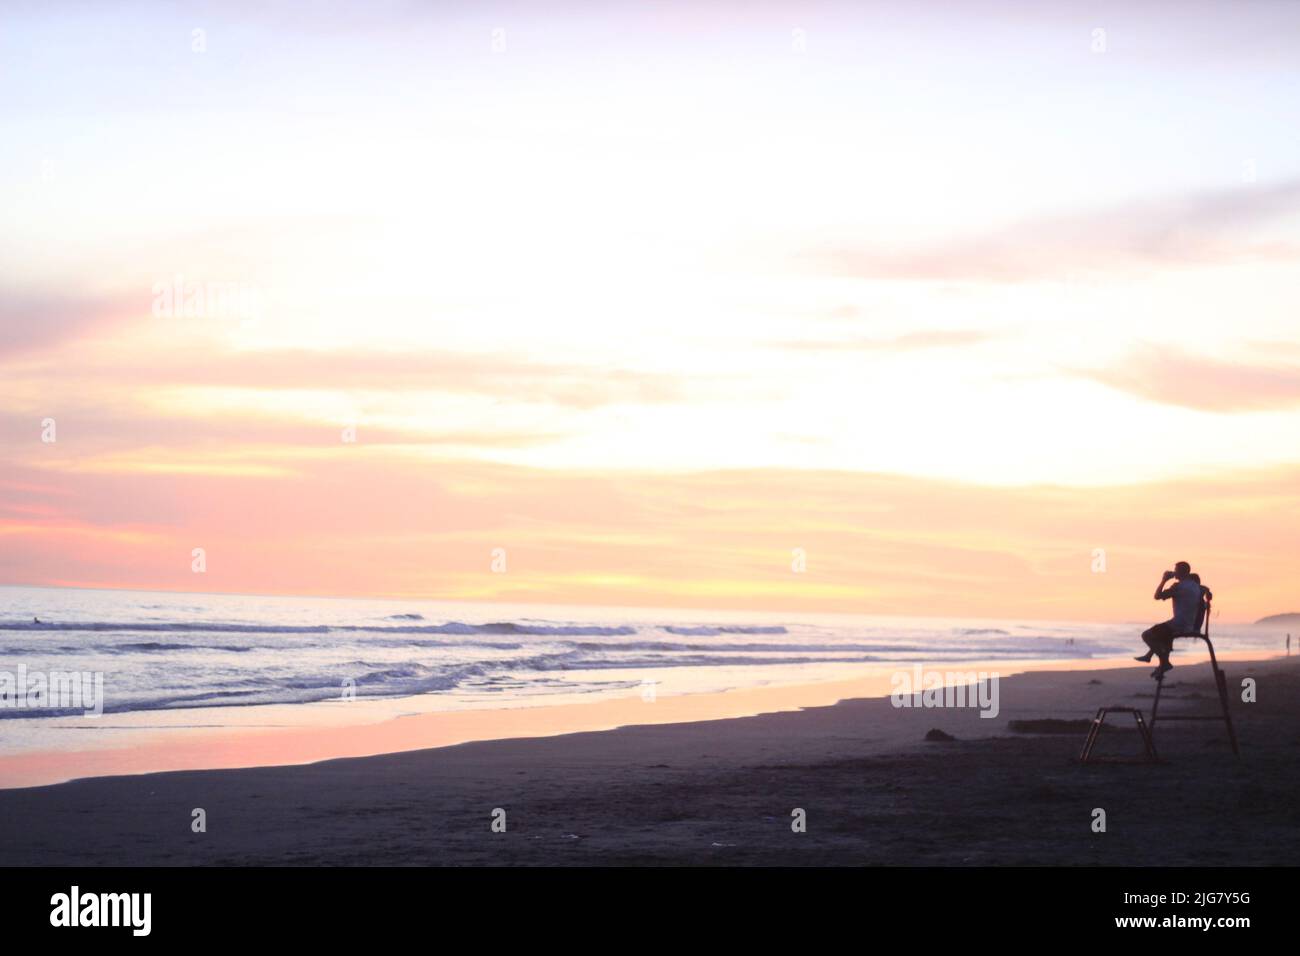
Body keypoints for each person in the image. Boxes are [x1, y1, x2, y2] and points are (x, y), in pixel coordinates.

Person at [1134, 561, 1209, 679]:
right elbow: (1206, 590)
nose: (1174, 572)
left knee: (1146, 635)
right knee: (1163, 634)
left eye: (1176, 570)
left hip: (1179, 625)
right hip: (1189, 624)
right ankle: (1159, 663)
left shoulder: (1178, 587)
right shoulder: (1196, 586)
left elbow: (1157, 596)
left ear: (1182, 572)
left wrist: (1164, 580)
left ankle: (1165, 663)